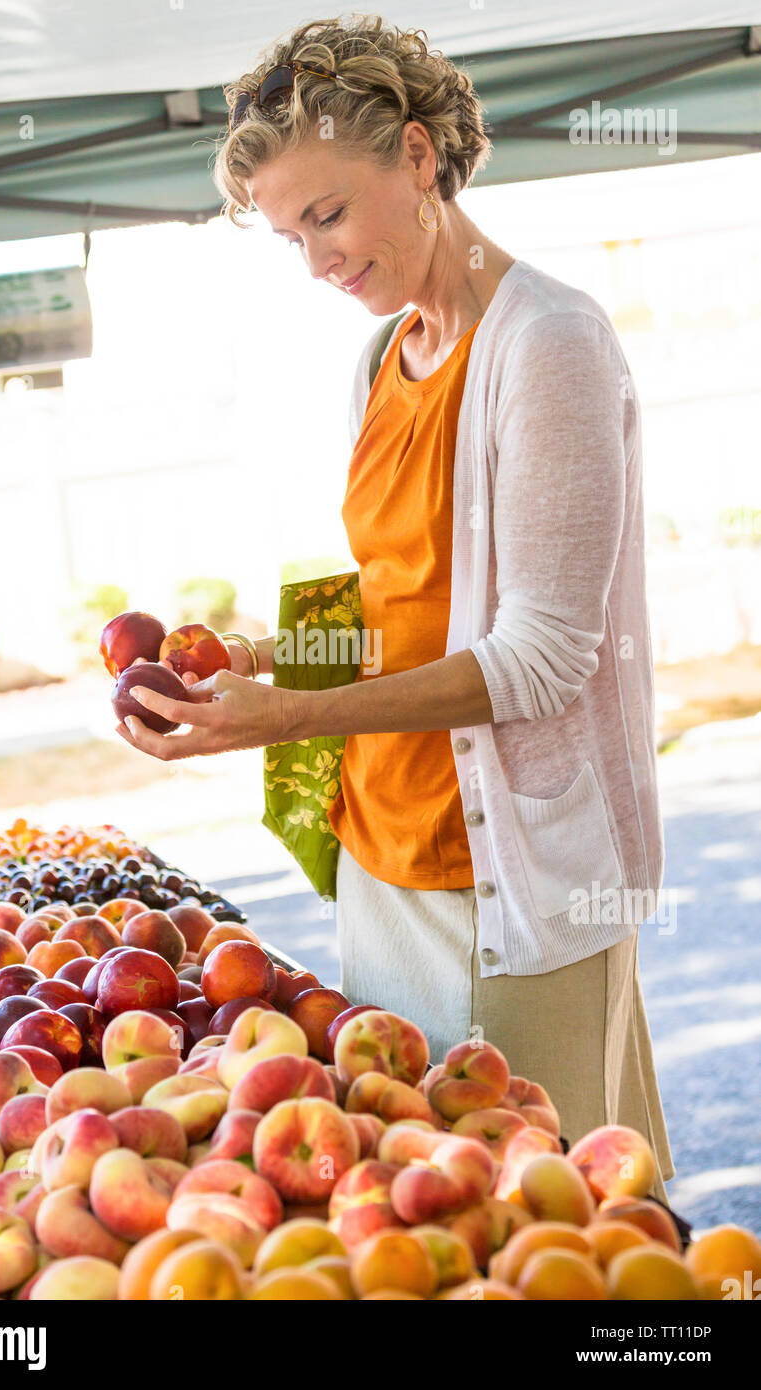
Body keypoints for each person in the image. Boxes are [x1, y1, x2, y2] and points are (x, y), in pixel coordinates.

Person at [117, 16, 674, 1200]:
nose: (315, 258)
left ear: (418, 158)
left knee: (557, 1226)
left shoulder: (550, 341)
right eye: (288, 235)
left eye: (326, 214)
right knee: (431, 1226)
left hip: (514, 886)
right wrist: (240, 661)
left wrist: (283, 721)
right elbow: (391, 605)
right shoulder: (382, 359)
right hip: (384, 869)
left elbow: (539, 656)